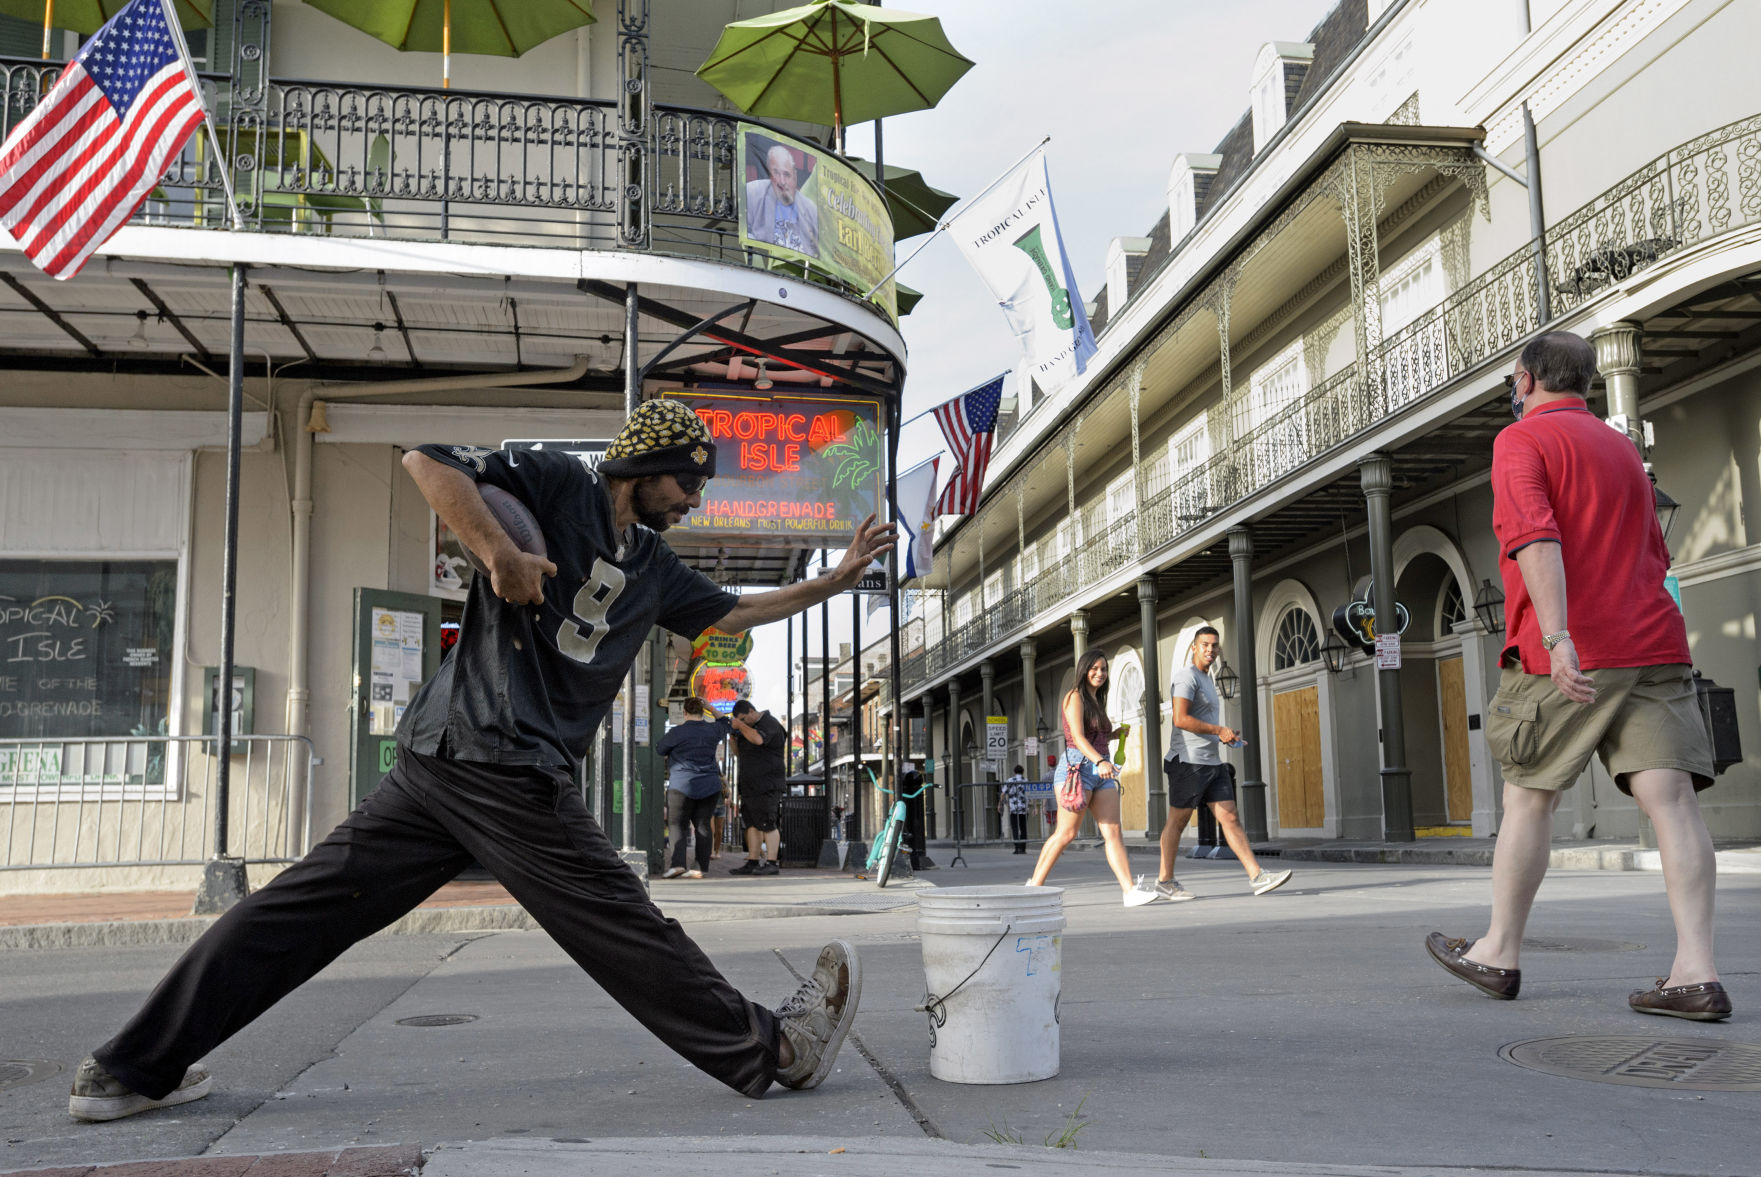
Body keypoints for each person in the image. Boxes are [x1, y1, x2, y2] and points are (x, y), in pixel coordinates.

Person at [66, 399, 896, 1122]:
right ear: (646, 465)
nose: (694, 498)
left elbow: (743, 607)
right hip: (499, 753)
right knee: (619, 917)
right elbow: (427, 463)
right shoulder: (558, 480)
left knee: (297, 913)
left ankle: (129, 1069)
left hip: (444, 764)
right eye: (688, 481)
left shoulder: (651, 564)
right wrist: (497, 551)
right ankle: (776, 1048)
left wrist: (838, 577)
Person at [1426, 331, 1727, 1019]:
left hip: (1566, 650)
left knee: (1528, 797)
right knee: (1673, 802)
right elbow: (1656, 548)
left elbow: (1534, 536)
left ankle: (1498, 950)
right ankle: (1695, 971)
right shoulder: (1621, 446)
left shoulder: (1521, 441)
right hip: (1651, 642)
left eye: (1511, 378)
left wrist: (1559, 636)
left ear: (1526, 379)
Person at [1154, 627, 1293, 900]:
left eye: (1215, 645)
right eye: (1205, 644)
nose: (1210, 650)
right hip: (1188, 763)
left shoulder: (1208, 678)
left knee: (1230, 817)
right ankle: (1165, 880)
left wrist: (1225, 736)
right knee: (1177, 822)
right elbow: (1180, 719)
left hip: (1211, 762)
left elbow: (1201, 721)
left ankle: (1257, 875)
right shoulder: (1186, 678)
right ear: (1194, 647)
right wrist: (1218, 730)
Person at [1027, 650, 1159, 907]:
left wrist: (1113, 735)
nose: (1100, 673)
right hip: (1077, 768)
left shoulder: (1096, 699)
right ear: (1084, 670)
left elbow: (1094, 735)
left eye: (1103, 669)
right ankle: (1034, 886)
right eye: (1095, 668)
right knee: (1066, 833)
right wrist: (1099, 761)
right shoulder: (1074, 697)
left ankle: (1129, 891)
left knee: (1113, 831)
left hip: (1102, 770)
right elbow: (1077, 737)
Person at [656, 696, 729, 879]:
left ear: (684, 712)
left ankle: (678, 864)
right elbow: (725, 721)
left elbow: (659, 749)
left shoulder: (677, 732)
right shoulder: (712, 730)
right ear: (702, 711)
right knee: (703, 825)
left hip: (682, 784)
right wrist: (711, 707)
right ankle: (699, 868)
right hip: (709, 785)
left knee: (677, 825)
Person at [728, 699, 787, 876]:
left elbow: (758, 739)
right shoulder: (745, 729)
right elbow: (739, 753)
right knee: (752, 824)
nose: (743, 723)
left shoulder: (769, 723)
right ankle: (752, 861)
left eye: (744, 719)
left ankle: (772, 861)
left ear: (752, 712)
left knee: (768, 822)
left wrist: (740, 726)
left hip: (767, 783)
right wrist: (733, 736)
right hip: (749, 784)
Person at [745, 143, 820, 258]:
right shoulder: (753, 192)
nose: (781, 181)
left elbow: (817, 250)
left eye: (786, 174)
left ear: (795, 176)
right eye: (776, 173)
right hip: (765, 266)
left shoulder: (810, 210)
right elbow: (744, 231)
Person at [999, 764, 1030, 854]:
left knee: (1015, 828)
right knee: (1023, 828)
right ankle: (1023, 848)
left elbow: (1003, 794)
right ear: (1022, 772)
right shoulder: (1026, 780)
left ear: (1014, 772)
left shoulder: (1010, 781)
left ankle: (1017, 848)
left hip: (1014, 808)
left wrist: (1005, 803)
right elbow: (1030, 793)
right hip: (1024, 809)